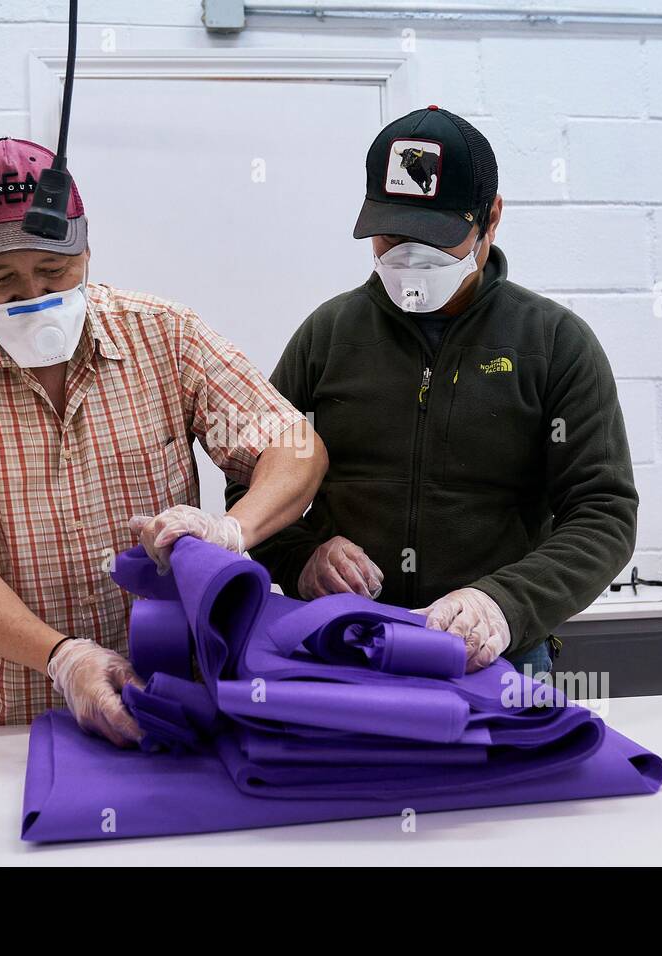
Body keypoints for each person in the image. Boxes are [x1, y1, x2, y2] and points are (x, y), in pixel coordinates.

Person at [0, 138, 326, 744]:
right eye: (0, 279)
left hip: (171, 703)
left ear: (85, 248)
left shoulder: (163, 337)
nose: (32, 296)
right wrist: (65, 659)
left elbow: (295, 445)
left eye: (53, 271)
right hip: (6, 723)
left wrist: (231, 531)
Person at [226, 107, 638, 676]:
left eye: (436, 238)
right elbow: (251, 475)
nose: (409, 258)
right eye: (393, 235)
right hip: (346, 646)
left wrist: (502, 603)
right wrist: (301, 560)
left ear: (491, 220)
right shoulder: (328, 336)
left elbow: (603, 515)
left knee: (517, 768)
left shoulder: (553, 343)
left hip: (501, 657)